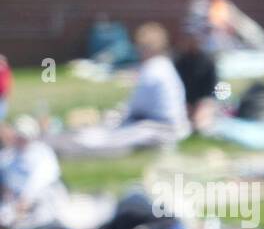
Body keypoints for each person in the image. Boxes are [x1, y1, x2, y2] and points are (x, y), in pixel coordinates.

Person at [50, 24, 191, 158]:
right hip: (170, 126)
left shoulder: (153, 70)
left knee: (104, 140)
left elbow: (135, 107)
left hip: (159, 129)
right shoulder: (164, 66)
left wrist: (113, 117)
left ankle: (67, 148)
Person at [0, 118, 67, 229]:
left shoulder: (42, 153)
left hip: (40, 197)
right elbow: (6, 180)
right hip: (15, 200)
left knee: (44, 217)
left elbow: (41, 179)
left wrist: (26, 199)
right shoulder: (8, 156)